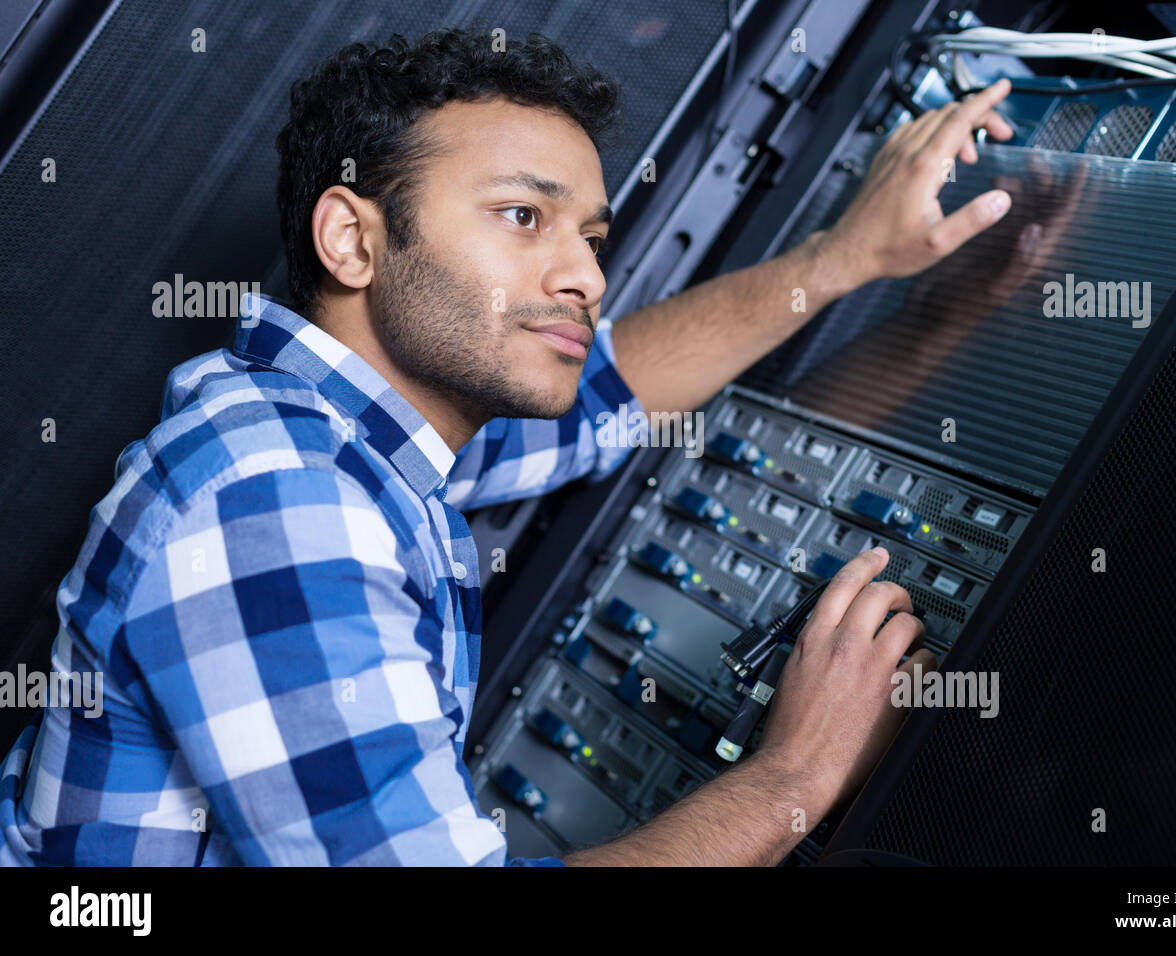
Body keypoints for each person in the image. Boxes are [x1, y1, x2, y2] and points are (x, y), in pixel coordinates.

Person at [0, 28, 1015, 866]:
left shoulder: (347, 441)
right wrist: (796, 774)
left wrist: (845, 258)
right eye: (523, 216)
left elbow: (614, 391)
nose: (583, 274)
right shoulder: (281, 497)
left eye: (591, 237)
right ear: (353, 241)